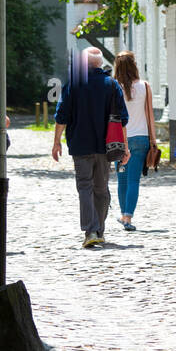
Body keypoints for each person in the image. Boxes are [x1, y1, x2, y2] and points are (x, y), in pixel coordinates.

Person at [52, 46, 128, 248]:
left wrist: (56, 141)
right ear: (100, 64)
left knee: (85, 187)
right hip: (106, 147)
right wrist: (125, 148)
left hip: (80, 145)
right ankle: (98, 229)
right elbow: (122, 120)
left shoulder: (73, 85)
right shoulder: (112, 85)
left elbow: (61, 116)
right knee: (101, 189)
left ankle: (91, 231)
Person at [112, 51, 156, 232]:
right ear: (134, 65)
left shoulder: (113, 87)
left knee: (122, 179)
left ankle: (124, 215)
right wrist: (153, 139)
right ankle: (128, 216)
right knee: (134, 181)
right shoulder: (144, 86)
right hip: (140, 139)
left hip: (119, 140)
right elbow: (150, 114)